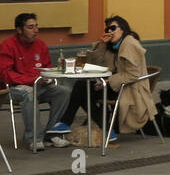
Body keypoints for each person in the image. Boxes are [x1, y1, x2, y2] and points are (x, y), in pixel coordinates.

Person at [56, 16, 154, 144]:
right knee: (83, 87)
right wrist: (102, 44)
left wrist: (108, 82)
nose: (110, 31)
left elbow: (132, 74)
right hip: (114, 85)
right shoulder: (112, 46)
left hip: (128, 88)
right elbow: (94, 64)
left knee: (83, 90)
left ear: (123, 29)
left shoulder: (129, 43)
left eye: (113, 28)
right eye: (107, 29)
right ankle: (104, 130)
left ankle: (66, 123)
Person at [0, 12, 72, 151]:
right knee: (28, 92)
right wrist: (32, 80)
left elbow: (46, 68)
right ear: (19, 30)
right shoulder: (7, 46)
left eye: (36, 26)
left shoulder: (41, 45)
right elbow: (5, 74)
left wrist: (49, 77)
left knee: (63, 91)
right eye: (31, 27)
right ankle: (34, 138)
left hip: (38, 85)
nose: (36, 31)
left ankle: (51, 133)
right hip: (12, 89)